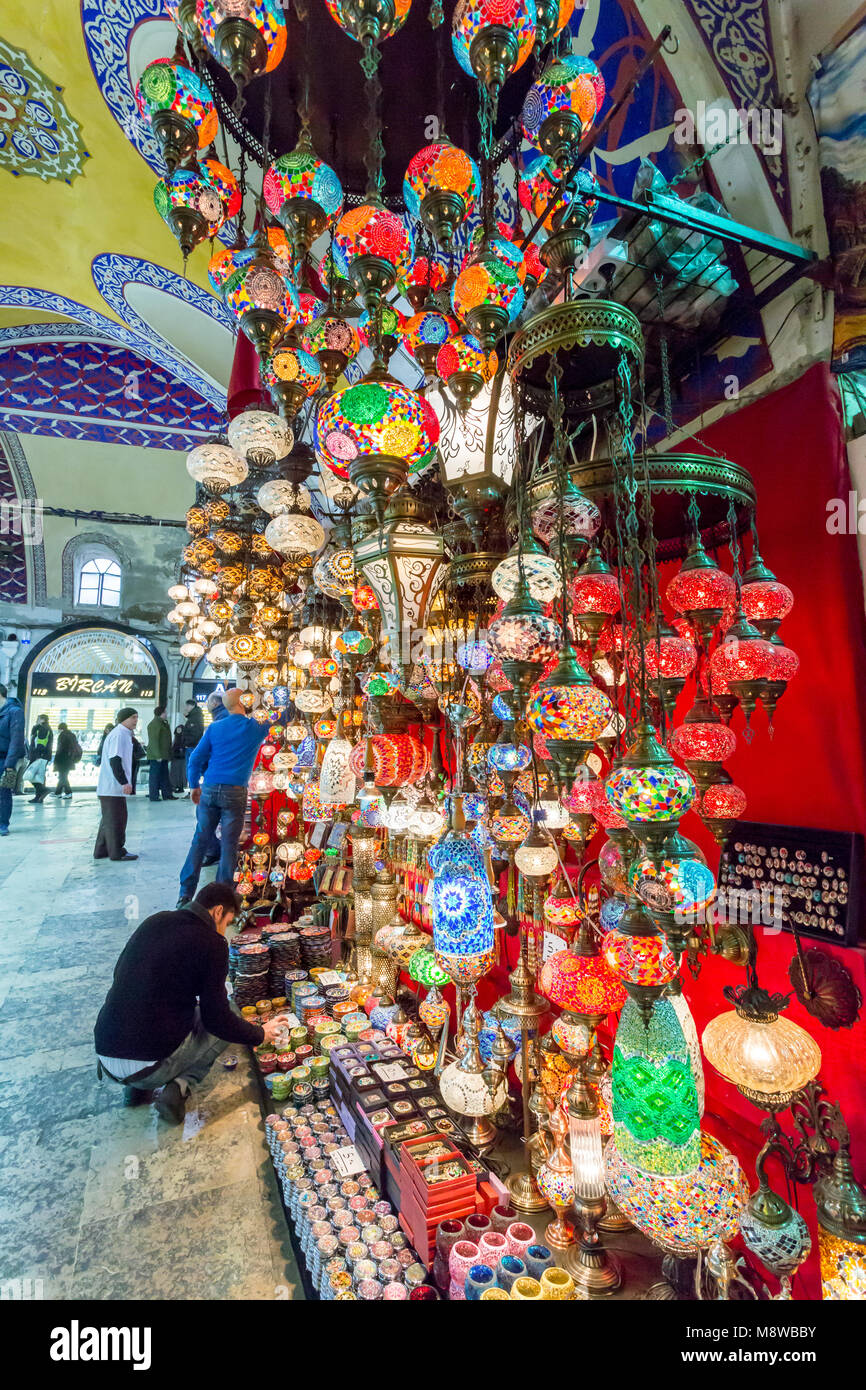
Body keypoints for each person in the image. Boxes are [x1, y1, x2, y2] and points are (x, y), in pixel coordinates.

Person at [94, 882, 277, 1123]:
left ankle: (137, 1087)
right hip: (149, 1065)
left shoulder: (156, 921)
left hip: (106, 1051)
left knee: (155, 1010)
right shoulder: (212, 943)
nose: (225, 931)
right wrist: (259, 1034)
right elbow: (217, 1020)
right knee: (229, 1013)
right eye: (228, 923)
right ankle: (178, 1087)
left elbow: (122, 974)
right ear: (218, 912)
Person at [177, 688, 270, 907]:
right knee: (229, 845)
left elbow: (196, 759)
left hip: (210, 788)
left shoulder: (215, 728)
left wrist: (193, 786)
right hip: (234, 791)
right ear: (243, 702)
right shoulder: (253, 728)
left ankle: (185, 894)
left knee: (199, 840)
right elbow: (281, 717)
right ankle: (223, 898)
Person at [93, 707, 139, 862]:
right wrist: (124, 782)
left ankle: (101, 850)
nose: (135, 720)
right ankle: (117, 852)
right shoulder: (119, 735)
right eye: (133, 717)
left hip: (110, 788)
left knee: (108, 821)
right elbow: (115, 760)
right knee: (117, 821)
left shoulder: (123, 734)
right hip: (112, 787)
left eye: (136, 717)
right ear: (124, 719)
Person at [200, 689, 229, 866]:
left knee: (206, 818)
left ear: (215, 703)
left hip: (218, 778)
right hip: (231, 778)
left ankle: (213, 851)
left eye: (209, 703)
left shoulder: (218, 722)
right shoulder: (224, 718)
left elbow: (203, 753)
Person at [0, 684, 25, 836]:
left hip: (5, 759)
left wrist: (10, 764)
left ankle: (3, 823)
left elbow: (16, 739)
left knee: (3, 793)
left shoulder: (15, 711)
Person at [146, 704, 175, 802]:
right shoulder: (155, 724)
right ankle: (153, 796)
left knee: (164, 775)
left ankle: (167, 794)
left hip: (163, 755)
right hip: (157, 756)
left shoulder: (163, 723)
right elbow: (154, 741)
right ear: (161, 713)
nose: (166, 714)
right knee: (155, 776)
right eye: (165, 712)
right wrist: (157, 755)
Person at [26, 712, 53, 803]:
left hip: (39, 757)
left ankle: (43, 790)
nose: (36, 720)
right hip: (41, 756)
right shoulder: (43, 728)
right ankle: (39, 796)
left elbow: (41, 743)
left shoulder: (43, 729)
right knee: (38, 776)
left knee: (29, 774)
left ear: (42, 720)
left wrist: (38, 756)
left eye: (38, 719)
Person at [181, 698, 204, 791]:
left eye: (187, 706)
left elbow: (195, 733)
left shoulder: (195, 718)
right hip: (192, 747)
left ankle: (193, 790)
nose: (186, 708)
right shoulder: (194, 716)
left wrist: (186, 743)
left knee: (192, 769)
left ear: (192, 706)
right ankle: (193, 789)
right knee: (192, 769)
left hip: (192, 747)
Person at [53, 722, 81, 797]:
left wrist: (56, 760)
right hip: (70, 759)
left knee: (63, 777)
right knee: (62, 776)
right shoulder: (72, 735)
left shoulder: (62, 735)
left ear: (60, 729)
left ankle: (68, 792)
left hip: (63, 760)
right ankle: (58, 793)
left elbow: (60, 749)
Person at [170, 724, 187, 794]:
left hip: (177, 757)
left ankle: (175, 786)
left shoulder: (176, 740)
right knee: (181, 773)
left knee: (176, 772)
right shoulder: (184, 739)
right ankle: (180, 786)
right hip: (181, 756)